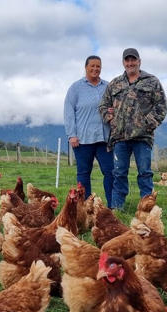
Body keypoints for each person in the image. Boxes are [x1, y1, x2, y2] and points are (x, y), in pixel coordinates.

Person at [99, 47, 167, 210]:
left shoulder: (152, 81)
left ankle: (147, 209)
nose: (130, 63)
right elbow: (103, 106)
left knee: (145, 173)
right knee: (119, 174)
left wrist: (146, 124)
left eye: (133, 60)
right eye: (127, 60)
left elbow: (161, 107)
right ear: (123, 63)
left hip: (142, 138)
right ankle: (117, 209)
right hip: (120, 138)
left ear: (139, 61)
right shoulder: (115, 84)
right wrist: (111, 118)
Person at [63, 55, 114, 204]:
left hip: (104, 139)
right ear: (86, 67)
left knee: (111, 173)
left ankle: (112, 206)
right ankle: (85, 206)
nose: (95, 69)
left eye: (98, 66)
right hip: (82, 140)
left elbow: (115, 106)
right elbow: (68, 112)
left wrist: (113, 110)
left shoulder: (108, 87)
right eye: (92, 66)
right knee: (83, 174)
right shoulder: (75, 88)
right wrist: (72, 135)